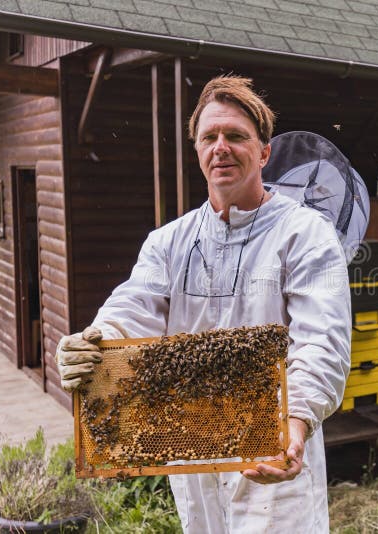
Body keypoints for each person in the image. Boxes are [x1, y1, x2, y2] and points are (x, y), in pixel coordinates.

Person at [55, 75, 351, 533]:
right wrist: (97, 340)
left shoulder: (307, 235)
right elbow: (135, 306)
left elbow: (323, 342)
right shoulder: (167, 242)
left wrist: (295, 424)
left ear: (264, 152)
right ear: (197, 150)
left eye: (236, 136)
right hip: (193, 457)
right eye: (209, 137)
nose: (221, 147)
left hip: (275, 456)